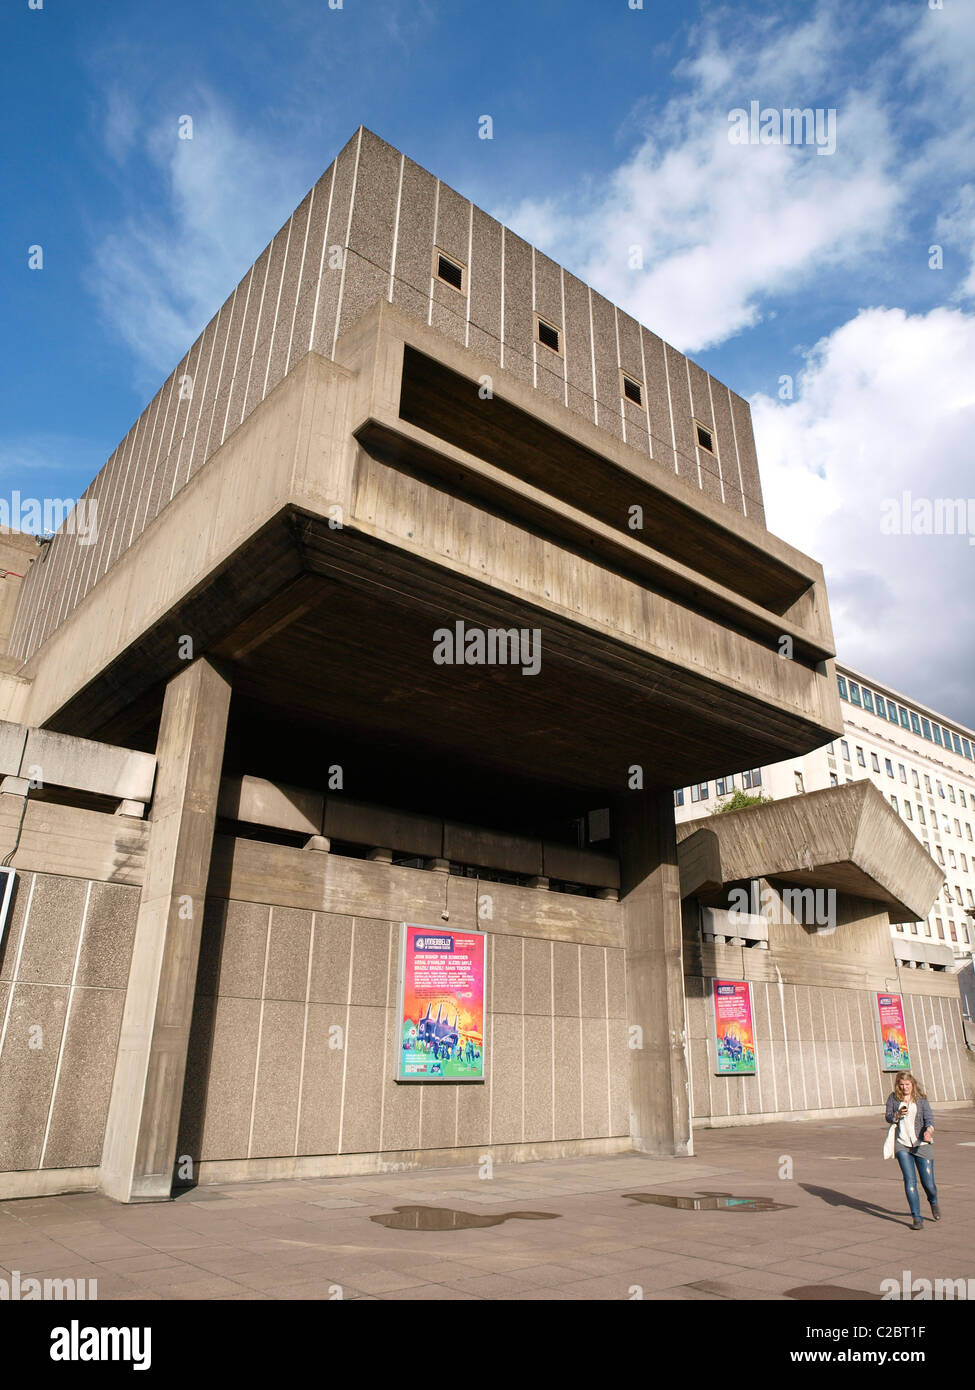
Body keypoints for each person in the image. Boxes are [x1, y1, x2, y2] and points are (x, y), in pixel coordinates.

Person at [884, 1072, 940, 1229]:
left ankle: (933, 1201)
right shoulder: (894, 1098)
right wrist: (897, 1114)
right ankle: (917, 1217)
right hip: (903, 1145)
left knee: (928, 1184)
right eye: (901, 1084)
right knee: (910, 1181)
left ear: (912, 1084)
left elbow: (929, 1118)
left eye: (907, 1084)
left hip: (921, 1144)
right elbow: (888, 1117)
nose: (904, 1087)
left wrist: (929, 1131)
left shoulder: (921, 1098)